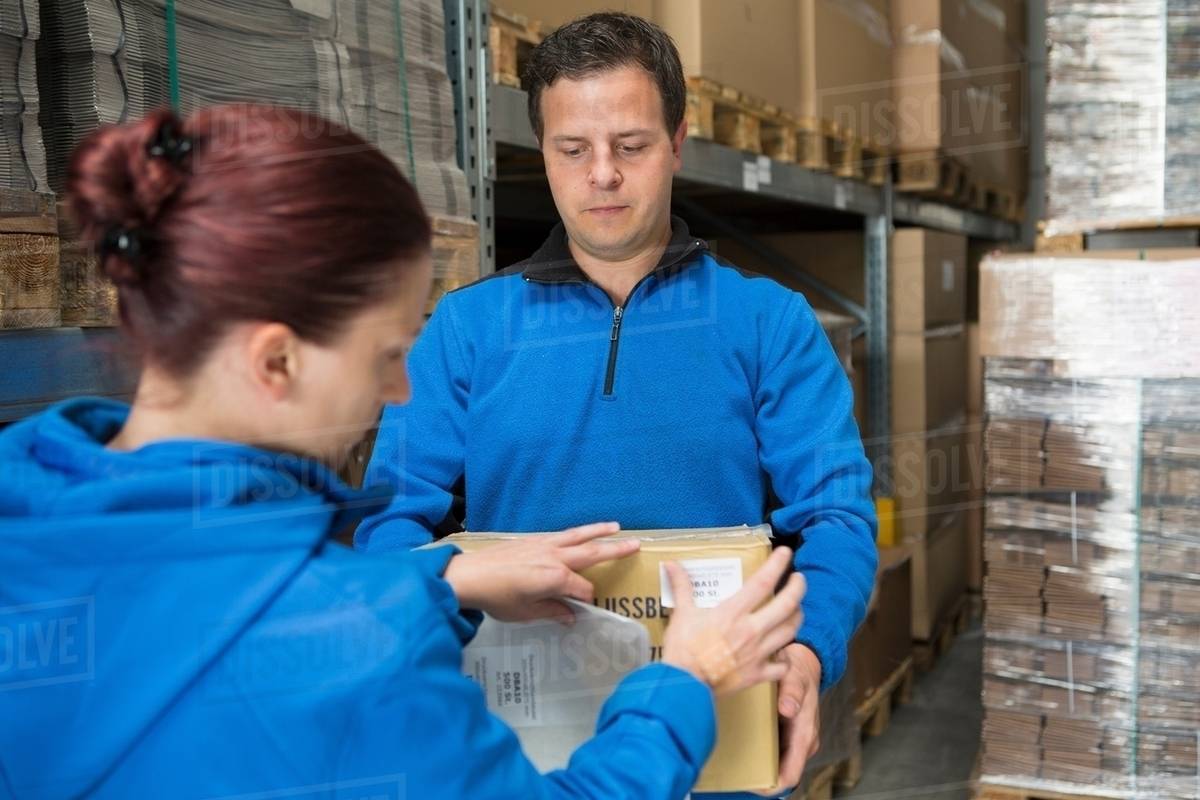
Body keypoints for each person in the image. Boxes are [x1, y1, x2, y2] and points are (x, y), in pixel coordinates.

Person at [0, 104, 807, 799]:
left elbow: (205, 614)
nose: (399, 392)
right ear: (276, 361)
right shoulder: (368, 653)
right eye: (386, 354)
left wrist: (442, 575)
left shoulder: (23, 511)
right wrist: (686, 683)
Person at [356, 12, 879, 795]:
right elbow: (387, 530)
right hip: (521, 747)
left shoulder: (768, 324)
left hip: (721, 727)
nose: (602, 173)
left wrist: (807, 652)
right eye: (574, 149)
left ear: (678, 140)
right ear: (545, 152)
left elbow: (837, 518)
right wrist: (456, 588)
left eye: (631, 146)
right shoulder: (467, 331)